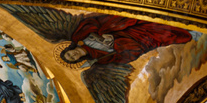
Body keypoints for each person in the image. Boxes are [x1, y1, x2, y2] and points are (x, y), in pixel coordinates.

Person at [59, 15, 192, 66]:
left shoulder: (78, 37)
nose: (73, 55)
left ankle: (180, 18)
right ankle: (189, 28)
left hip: (119, 27)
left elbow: (90, 22)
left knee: (147, 21)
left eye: (69, 54)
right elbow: (120, 58)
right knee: (159, 37)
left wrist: (102, 33)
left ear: (70, 49)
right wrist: (119, 46)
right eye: (72, 58)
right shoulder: (98, 59)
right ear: (76, 60)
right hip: (131, 40)